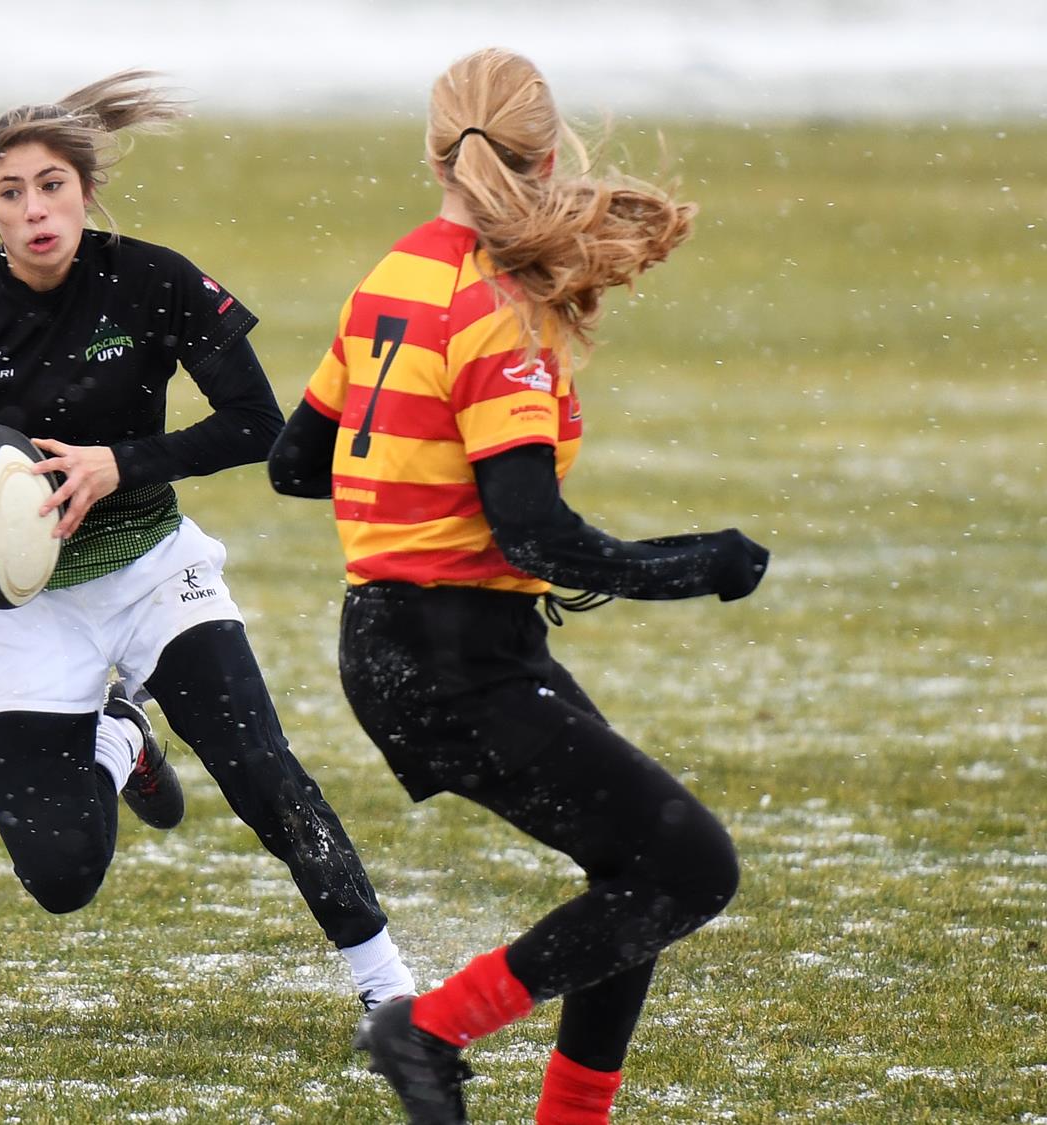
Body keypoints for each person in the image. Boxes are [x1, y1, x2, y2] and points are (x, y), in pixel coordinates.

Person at [0, 71, 417, 1014]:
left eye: (51, 185)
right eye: (11, 192)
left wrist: (124, 462)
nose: (35, 210)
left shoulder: (151, 279)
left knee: (264, 775)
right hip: (20, 605)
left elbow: (254, 423)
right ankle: (119, 736)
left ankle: (390, 996)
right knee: (62, 877)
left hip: (156, 570)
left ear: (84, 189)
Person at [267, 48, 767, 1125]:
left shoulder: (394, 275)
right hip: (452, 661)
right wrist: (695, 565)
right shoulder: (494, 314)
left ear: (432, 151)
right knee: (690, 869)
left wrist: (411, 485)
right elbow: (534, 534)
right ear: (546, 156)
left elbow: (294, 462)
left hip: (400, 644)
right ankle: (428, 1025)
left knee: (636, 873)